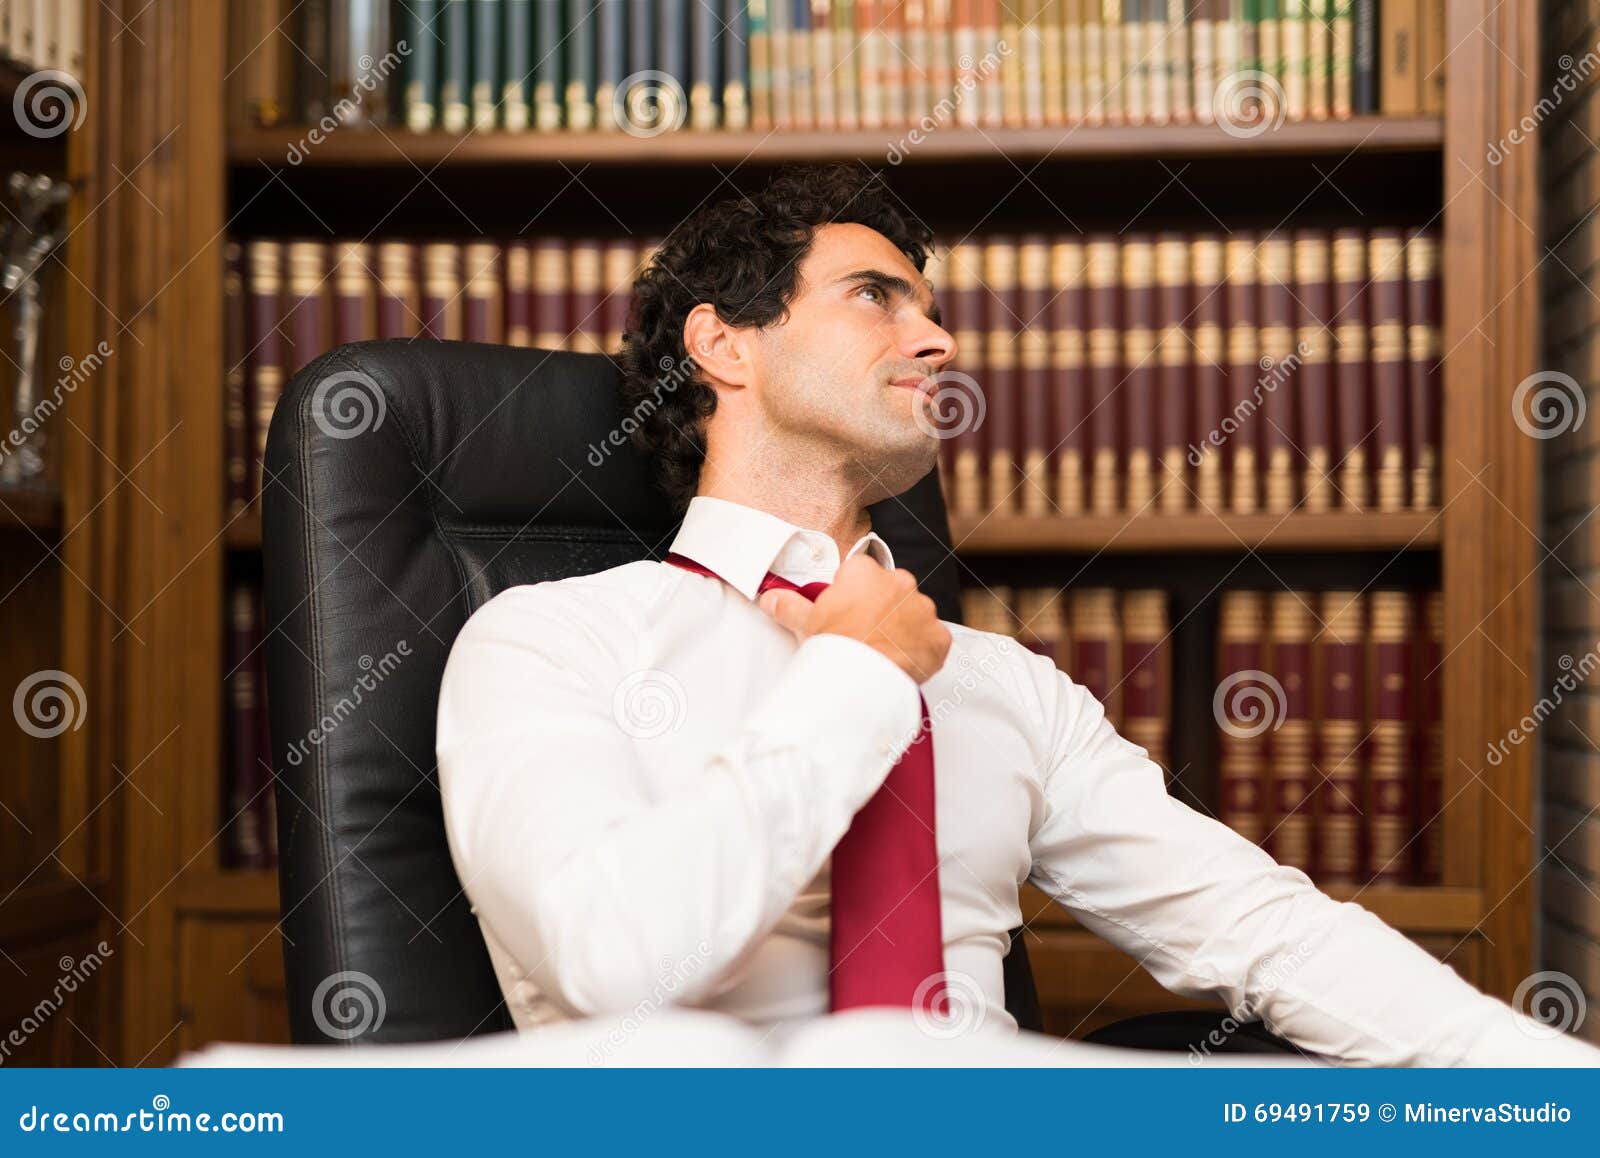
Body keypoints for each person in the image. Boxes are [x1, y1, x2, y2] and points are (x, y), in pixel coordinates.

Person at [436, 163, 1598, 1066]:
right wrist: (856, 677)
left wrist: (1547, 1082)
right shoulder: (549, 639)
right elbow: (615, 959)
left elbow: (1268, 933)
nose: (935, 339)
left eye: (930, 309)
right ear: (721, 344)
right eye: (874, 297)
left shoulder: (1005, 687)